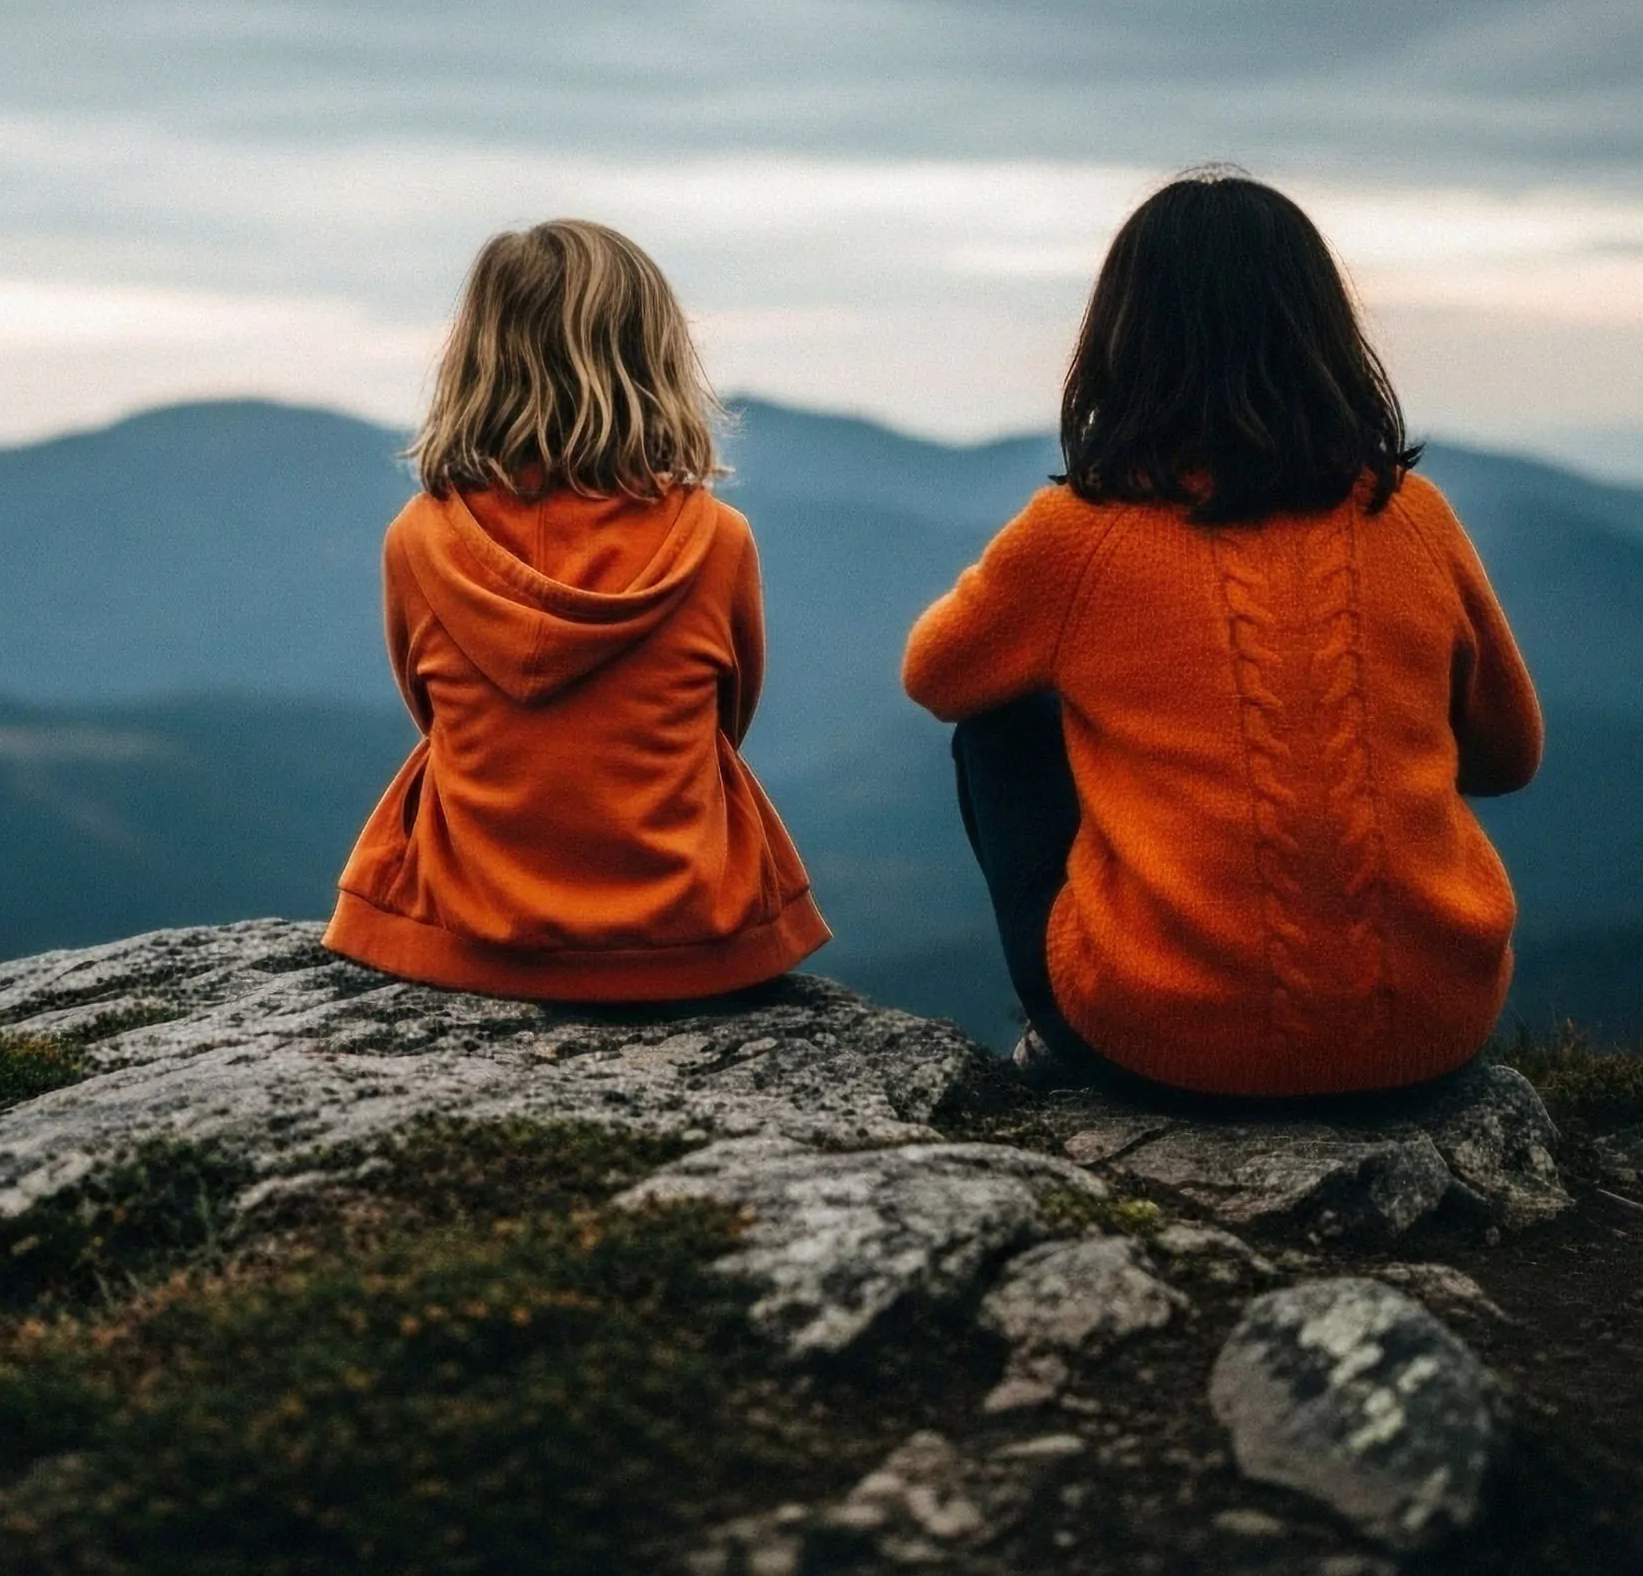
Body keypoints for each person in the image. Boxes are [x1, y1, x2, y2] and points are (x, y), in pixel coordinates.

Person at [901, 167, 1540, 1098]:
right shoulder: (1415, 518)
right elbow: (1506, 756)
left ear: (1120, 340)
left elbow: (936, 675)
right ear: (1324, 332)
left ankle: (1067, 1028)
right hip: (1430, 1034)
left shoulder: (1082, 535)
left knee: (999, 729)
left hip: (1168, 1046)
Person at [324, 219, 830, 1000]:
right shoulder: (716, 541)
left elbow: (431, 715)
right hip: (687, 936)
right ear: (653, 358)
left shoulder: (419, 541)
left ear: (476, 359)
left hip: (466, 929)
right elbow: (727, 720)